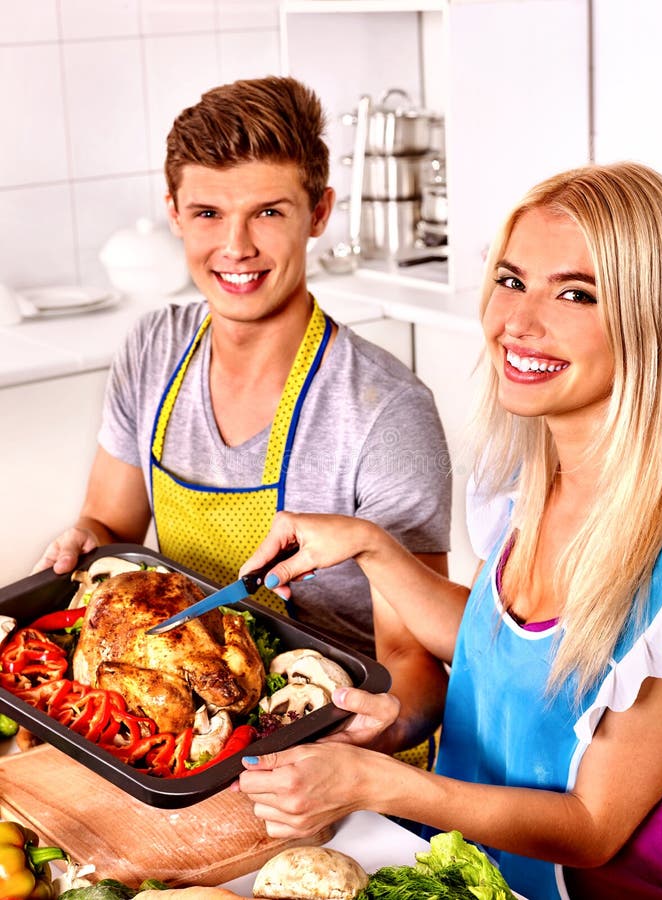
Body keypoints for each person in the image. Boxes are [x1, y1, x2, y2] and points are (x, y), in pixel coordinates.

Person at [232, 162, 662, 900]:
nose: (518, 322)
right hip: (459, 874)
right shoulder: (528, 479)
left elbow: (594, 825)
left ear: (651, 318)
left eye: (574, 293)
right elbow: (500, 646)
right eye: (509, 280)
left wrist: (377, 783)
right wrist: (371, 545)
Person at [32, 76, 452, 761]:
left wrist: (374, 731)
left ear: (318, 212)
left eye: (267, 213)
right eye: (207, 214)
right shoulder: (153, 350)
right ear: (171, 211)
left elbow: (413, 662)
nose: (235, 248)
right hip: (171, 727)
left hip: (330, 745)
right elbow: (111, 534)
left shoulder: (383, 411)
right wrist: (84, 537)